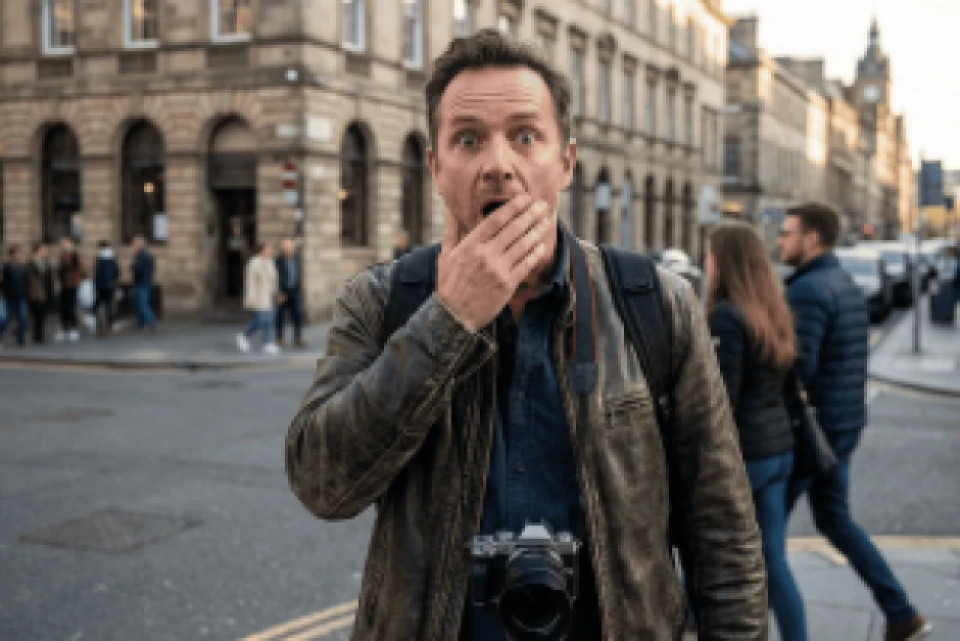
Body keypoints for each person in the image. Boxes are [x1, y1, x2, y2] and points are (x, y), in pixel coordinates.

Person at [285, 30, 766, 641]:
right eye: (467, 139)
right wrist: (448, 319)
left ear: (565, 162)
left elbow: (723, 534)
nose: (498, 165)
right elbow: (321, 483)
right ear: (435, 168)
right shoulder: (379, 302)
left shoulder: (655, 305)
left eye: (524, 136)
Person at [779, 203, 931, 641]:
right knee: (835, 521)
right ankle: (901, 612)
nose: (781, 241)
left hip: (812, 436)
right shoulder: (843, 283)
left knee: (756, 536)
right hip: (841, 429)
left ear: (811, 240)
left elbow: (799, 371)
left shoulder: (808, 291)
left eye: (787, 234)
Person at [706, 221, 807, 641]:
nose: (705, 262)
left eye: (710, 254)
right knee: (772, 559)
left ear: (725, 261)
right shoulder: (773, 310)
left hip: (749, 452)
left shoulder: (727, 317)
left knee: (720, 554)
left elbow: (720, 399)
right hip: (780, 449)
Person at [237, 242, 280, 355]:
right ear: (262, 250)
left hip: (269, 296)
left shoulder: (270, 262)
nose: (270, 251)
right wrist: (250, 297)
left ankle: (268, 343)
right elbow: (250, 281)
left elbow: (273, 279)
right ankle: (244, 335)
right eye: (268, 249)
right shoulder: (254, 263)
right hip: (259, 296)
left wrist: (277, 293)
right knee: (260, 319)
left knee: (269, 319)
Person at [275, 237, 306, 348]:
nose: (287, 249)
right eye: (285, 247)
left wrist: (300, 290)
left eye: (289, 246)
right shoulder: (278, 261)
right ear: (282, 248)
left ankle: (298, 338)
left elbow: (299, 275)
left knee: (297, 315)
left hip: (294, 291)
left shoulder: (297, 259)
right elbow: (275, 277)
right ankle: (279, 338)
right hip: (283, 292)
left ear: (292, 247)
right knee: (280, 316)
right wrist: (278, 292)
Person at [26, 243, 54, 344]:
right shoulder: (31, 262)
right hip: (35, 292)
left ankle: (39, 335)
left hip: (43, 292)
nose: (46, 252)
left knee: (41, 315)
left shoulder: (45, 263)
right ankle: (37, 336)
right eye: (44, 250)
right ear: (38, 251)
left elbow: (48, 278)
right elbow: (29, 278)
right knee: (37, 314)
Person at [57, 237, 83, 341]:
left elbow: (78, 267)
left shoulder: (74, 255)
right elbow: (60, 270)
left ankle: (73, 328)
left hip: (72, 285)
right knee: (63, 307)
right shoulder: (61, 256)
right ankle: (64, 328)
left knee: (71, 306)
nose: (64, 246)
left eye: (66, 244)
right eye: (63, 244)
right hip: (63, 285)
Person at [1, 245, 28, 347]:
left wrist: (26, 292)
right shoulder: (7, 268)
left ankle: (20, 340)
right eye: (16, 253)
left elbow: (25, 281)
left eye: (19, 253)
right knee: (5, 319)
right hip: (10, 298)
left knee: (22, 319)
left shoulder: (21, 267)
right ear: (11, 255)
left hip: (21, 297)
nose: (18, 256)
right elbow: (4, 283)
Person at [131, 235, 157, 332]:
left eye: (134, 244)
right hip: (146, 282)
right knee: (139, 303)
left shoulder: (140, 256)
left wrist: (133, 265)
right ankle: (141, 324)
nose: (133, 246)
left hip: (141, 282)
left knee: (142, 304)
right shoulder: (146, 255)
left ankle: (151, 321)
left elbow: (138, 269)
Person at [94, 239, 120, 337]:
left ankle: (100, 327)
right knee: (109, 306)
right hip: (111, 286)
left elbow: (98, 274)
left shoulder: (100, 259)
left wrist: (96, 286)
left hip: (101, 286)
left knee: (98, 306)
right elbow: (117, 272)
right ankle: (110, 326)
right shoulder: (113, 259)